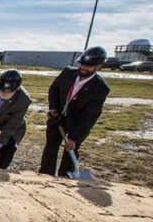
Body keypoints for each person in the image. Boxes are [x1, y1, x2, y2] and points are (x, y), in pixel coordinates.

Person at [39, 46, 110, 177]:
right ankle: (45, 175)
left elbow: (90, 116)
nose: (83, 68)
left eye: (88, 67)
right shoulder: (67, 72)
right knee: (50, 147)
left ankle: (65, 177)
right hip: (57, 117)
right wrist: (53, 107)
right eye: (82, 65)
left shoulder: (100, 88)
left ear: (98, 66)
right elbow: (54, 89)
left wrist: (75, 138)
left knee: (71, 149)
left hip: (77, 123)